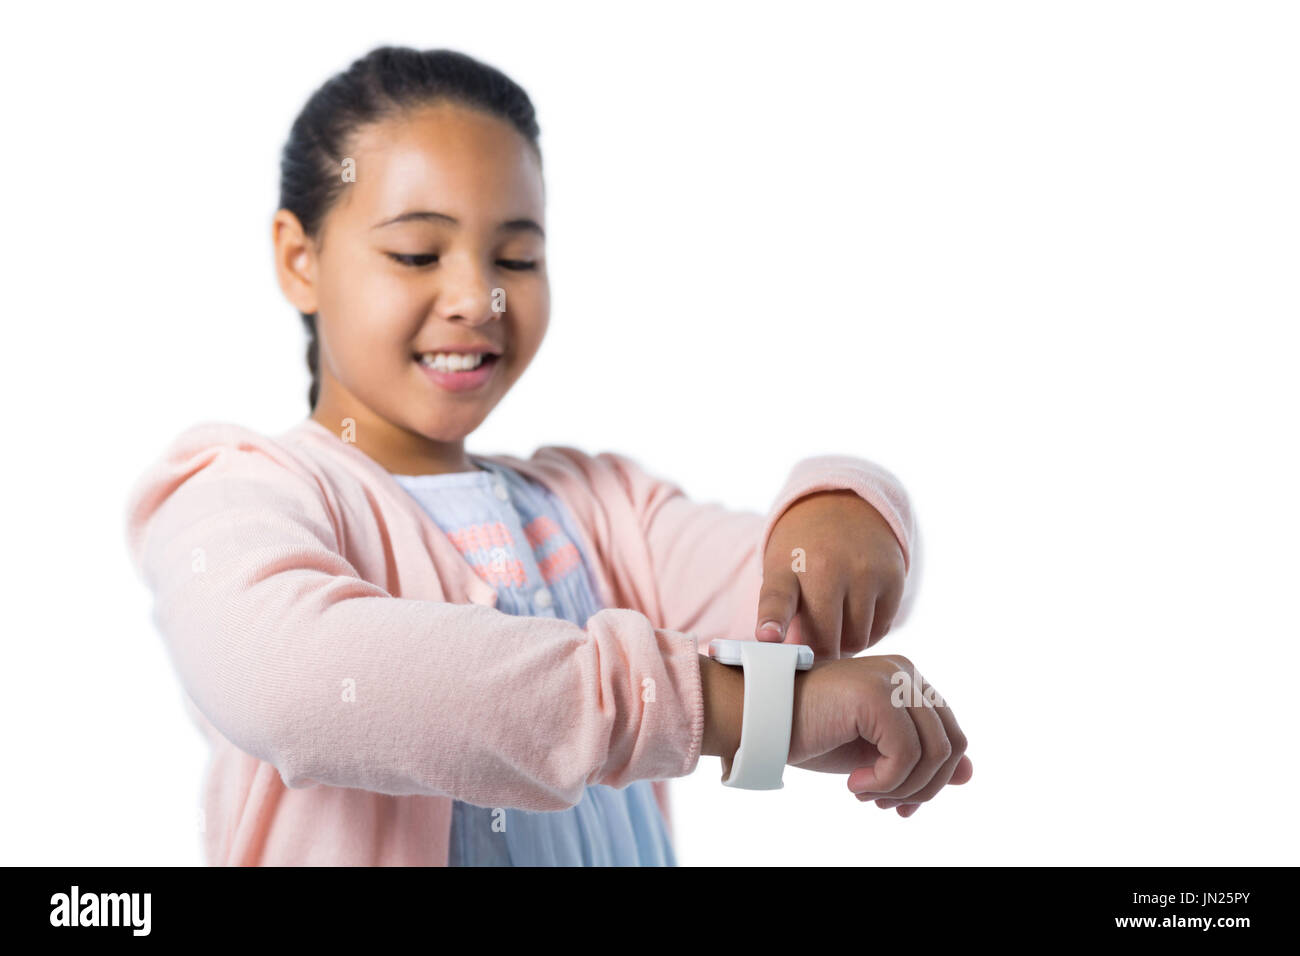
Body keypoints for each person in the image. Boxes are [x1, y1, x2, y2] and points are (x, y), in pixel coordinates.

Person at [123, 45, 971, 866]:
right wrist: (746, 713)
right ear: (298, 259)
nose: (474, 298)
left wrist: (843, 510)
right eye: (417, 253)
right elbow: (297, 682)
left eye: (516, 257)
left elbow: (798, 605)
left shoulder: (597, 504)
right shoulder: (236, 494)